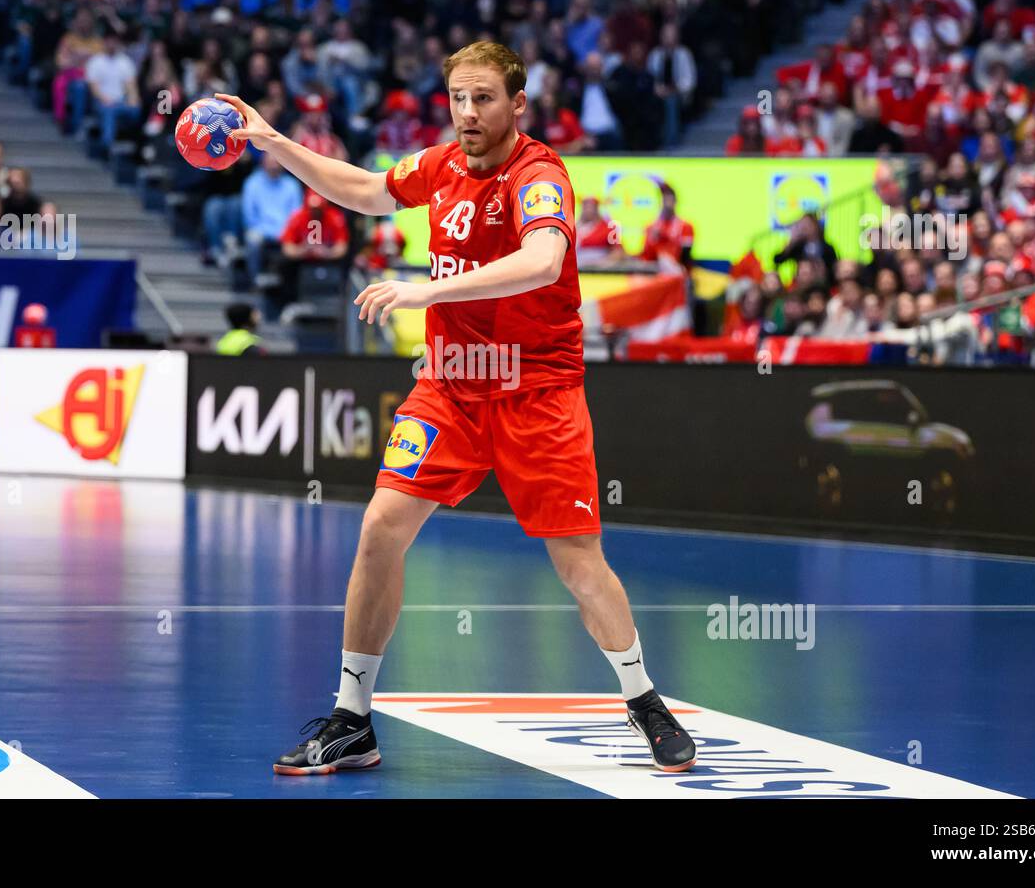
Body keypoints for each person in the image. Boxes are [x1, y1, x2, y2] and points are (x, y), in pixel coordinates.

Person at [216, 40, 696, 777]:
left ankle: (643, 699)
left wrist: (425, 289)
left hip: (538, 394)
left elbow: (543, 260)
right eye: (458, 99)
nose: (469, 113)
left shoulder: (538, 174)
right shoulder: (439, 167)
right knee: (380, 527)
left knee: (577, 562)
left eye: (485, 99)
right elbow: (365, 189)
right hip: (449, 389)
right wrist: (273, 140)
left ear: (518, 105)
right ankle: (353, 720)